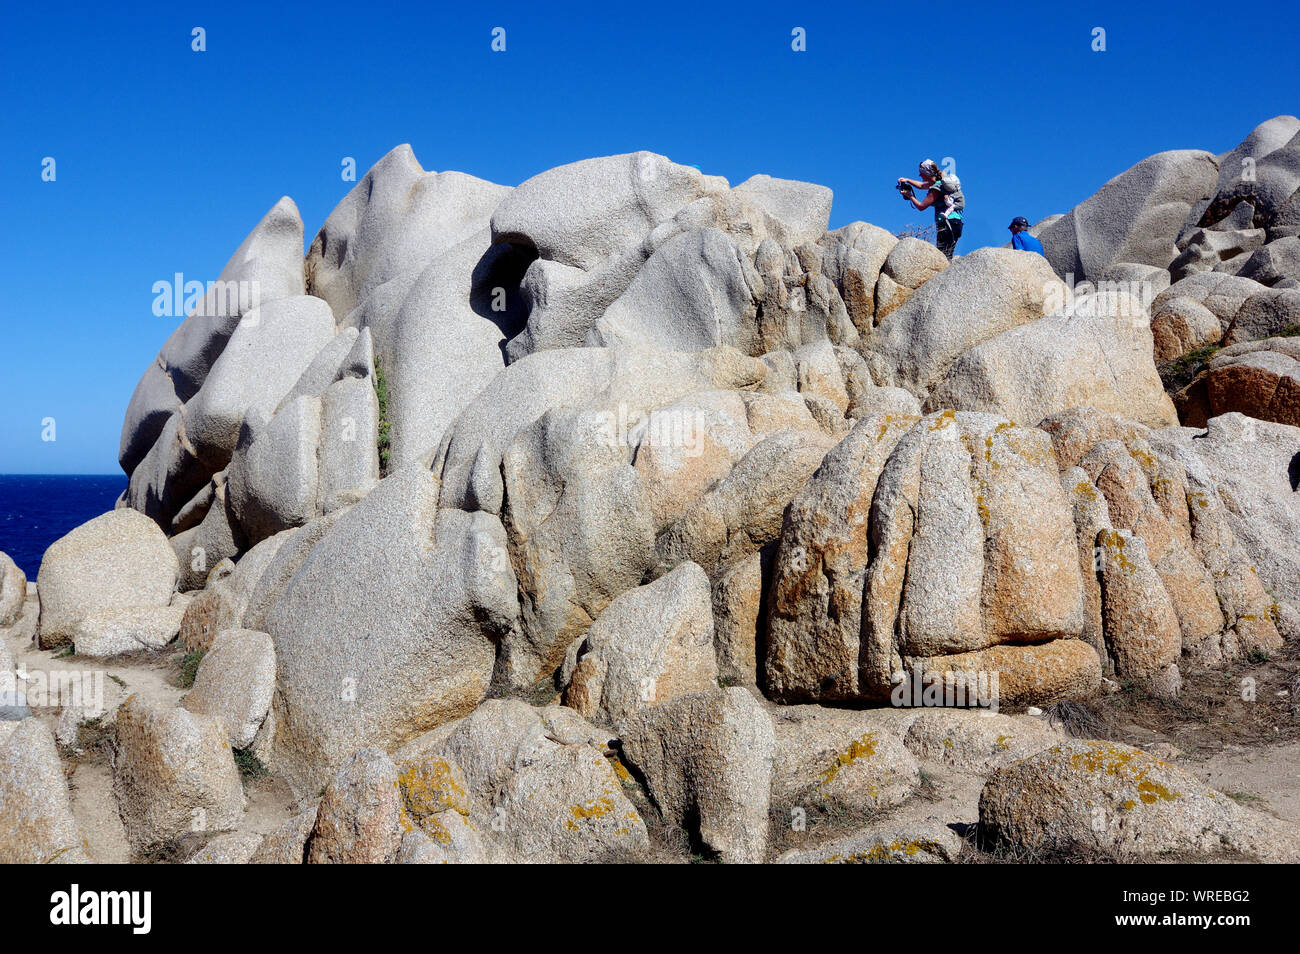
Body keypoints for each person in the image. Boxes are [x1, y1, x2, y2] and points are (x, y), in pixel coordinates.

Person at [898, 159, 965, 259]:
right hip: (954, 222)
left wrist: (910, 196)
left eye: (921, 173)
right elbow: (921, 185)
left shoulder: (936, 188)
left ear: (927, 173)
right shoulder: (939, 182)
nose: (920, 176)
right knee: (946, 255)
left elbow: (921, 206)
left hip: (947, 224)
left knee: (943, 256)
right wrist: (907, 180)